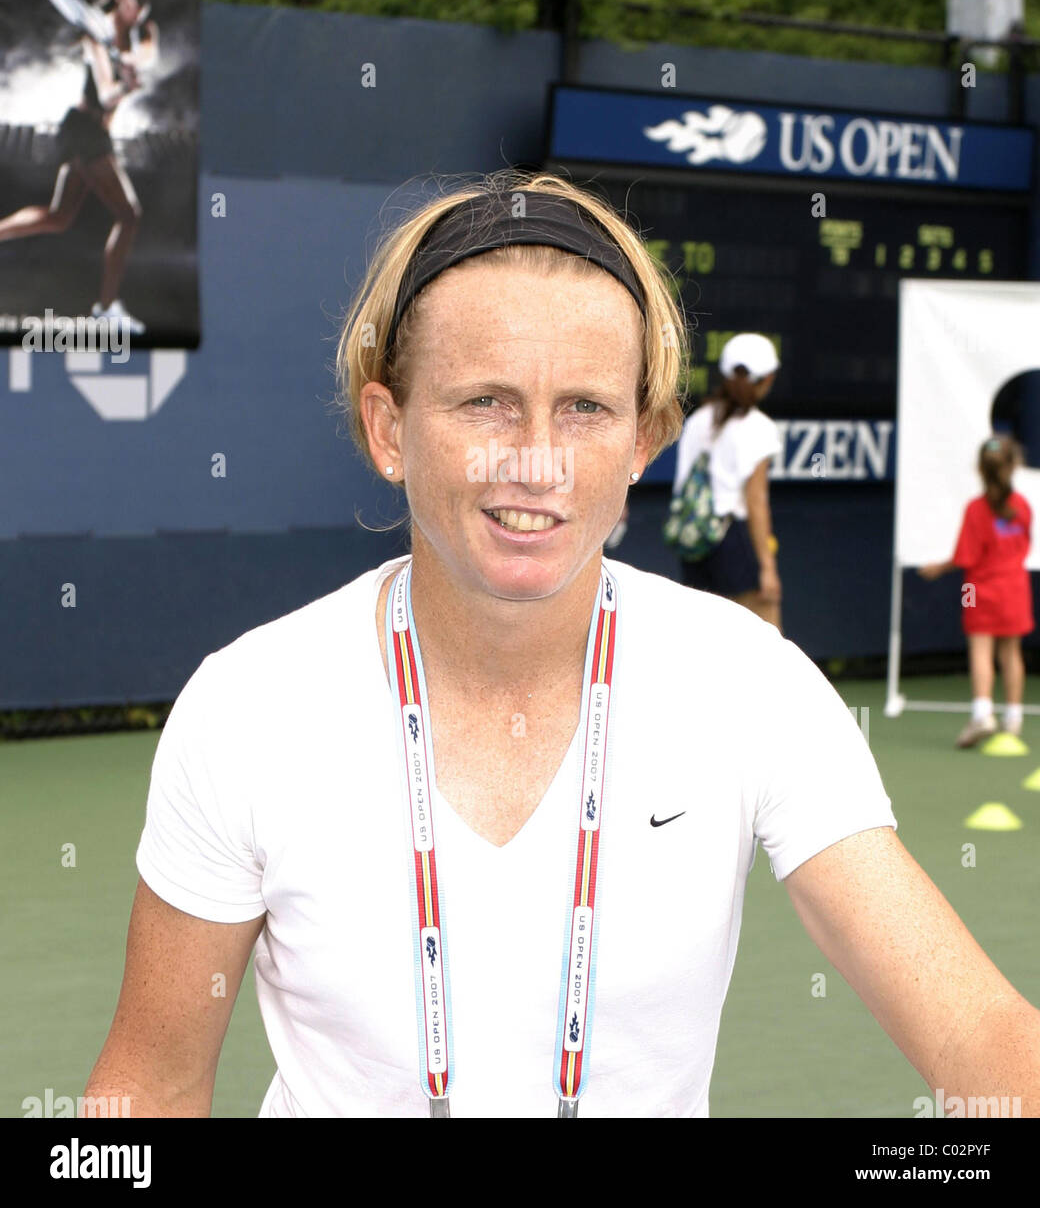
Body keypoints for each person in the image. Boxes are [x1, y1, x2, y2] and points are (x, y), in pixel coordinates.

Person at [84, 172, 1040, 1118]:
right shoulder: (250, 706)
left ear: (643, 440)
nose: (537, 460)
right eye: (485, 402)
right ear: (387, 428)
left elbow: (976, 1032)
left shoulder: (750, 684)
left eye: (585, 408)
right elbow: (151, 1090)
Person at [0, 0, 157, 335]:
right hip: (84, 131)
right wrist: (125, 87)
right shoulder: (95, 37)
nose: (142, 7)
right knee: (129, 214)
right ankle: (105, 310)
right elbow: (105, 94)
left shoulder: (141, 34)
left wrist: (133, 64)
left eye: (146, 1)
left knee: (59, 218)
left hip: (89, 134)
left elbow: (151, 52)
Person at [918, 434, 1034, 749]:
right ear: (1013, 466)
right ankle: (1013, 719)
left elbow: (964, 558)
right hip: (1016, 588)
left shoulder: (976, 509)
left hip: (975, 590)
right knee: (1011, 653)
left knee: (980, 649)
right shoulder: (1023, 507)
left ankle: (982, 714)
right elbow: (1025, 546)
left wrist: (937, 568)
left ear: (981, 470)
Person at [671, 333, 782, 629]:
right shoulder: (760, 428)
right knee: (766, 643)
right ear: (767, 379)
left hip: (697, 544)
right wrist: (768, 569)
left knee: (708, 640)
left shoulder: (696, 421)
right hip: (735, 541)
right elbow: (756, 503)